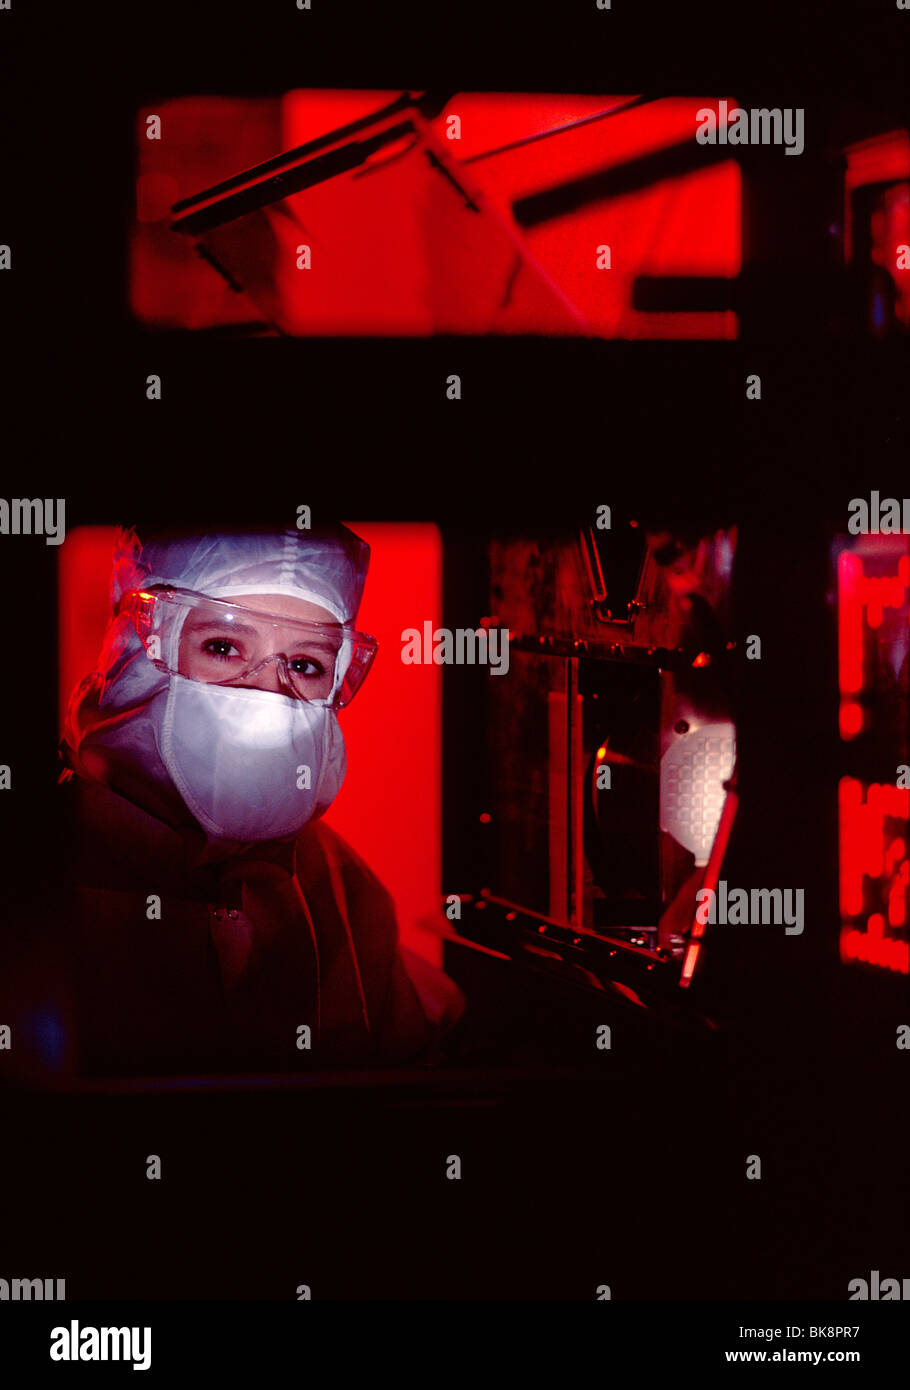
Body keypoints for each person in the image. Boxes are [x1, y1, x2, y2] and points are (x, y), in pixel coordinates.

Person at [56, 521, 465, 1076]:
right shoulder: (38, 871)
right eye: (223, 647)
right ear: (135, 644)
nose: (266, 694)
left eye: (304, 665)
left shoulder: (336, 881)